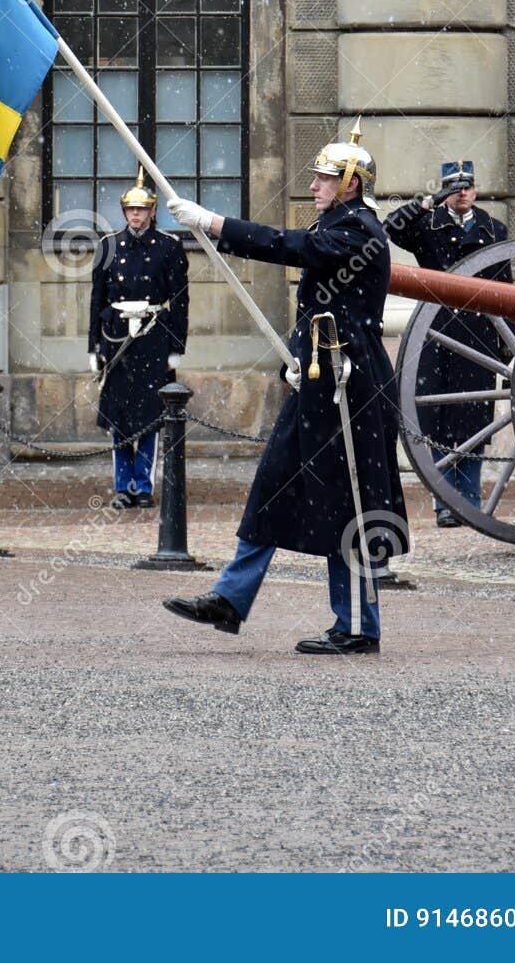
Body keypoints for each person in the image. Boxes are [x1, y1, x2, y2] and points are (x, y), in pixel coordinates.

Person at [162, 122, 408, 655]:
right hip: (319, 378)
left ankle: (358, 626)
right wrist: (297, 359)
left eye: (324, 178)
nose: (314, 185)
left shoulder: (359, 230)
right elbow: (319, 306)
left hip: (352, 385)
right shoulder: (336, 226)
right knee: (273, 488)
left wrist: (215, 223)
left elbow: (286, 246)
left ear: (350, 183)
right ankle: (230, 597)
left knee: (349, 507)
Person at [383, 160, 509, 528]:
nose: (463, 193)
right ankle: (445, 501)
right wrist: (427, 202)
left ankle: (468, 500)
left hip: (479, 332)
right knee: (436, 419)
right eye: (455, 187)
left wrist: (507, 343)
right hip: (436, 329)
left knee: (473, 421)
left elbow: (505, 284)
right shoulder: (427, 226)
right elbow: (393, 228)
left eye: (468, 186)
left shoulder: (494, 229)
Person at [88, 168, 189, 509]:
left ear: (152, 211)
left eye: (142, 209)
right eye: (131, 209)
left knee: (150, 419)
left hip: (153, 339)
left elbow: (181, 301)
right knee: (118, 419)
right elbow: (96, 300)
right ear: (124, 211)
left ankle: (142, 486)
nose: (135, 214)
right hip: (116, 338)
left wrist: (177, 347)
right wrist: (93, 347)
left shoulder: (169, 247)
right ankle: (122, 485)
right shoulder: (108, 246)